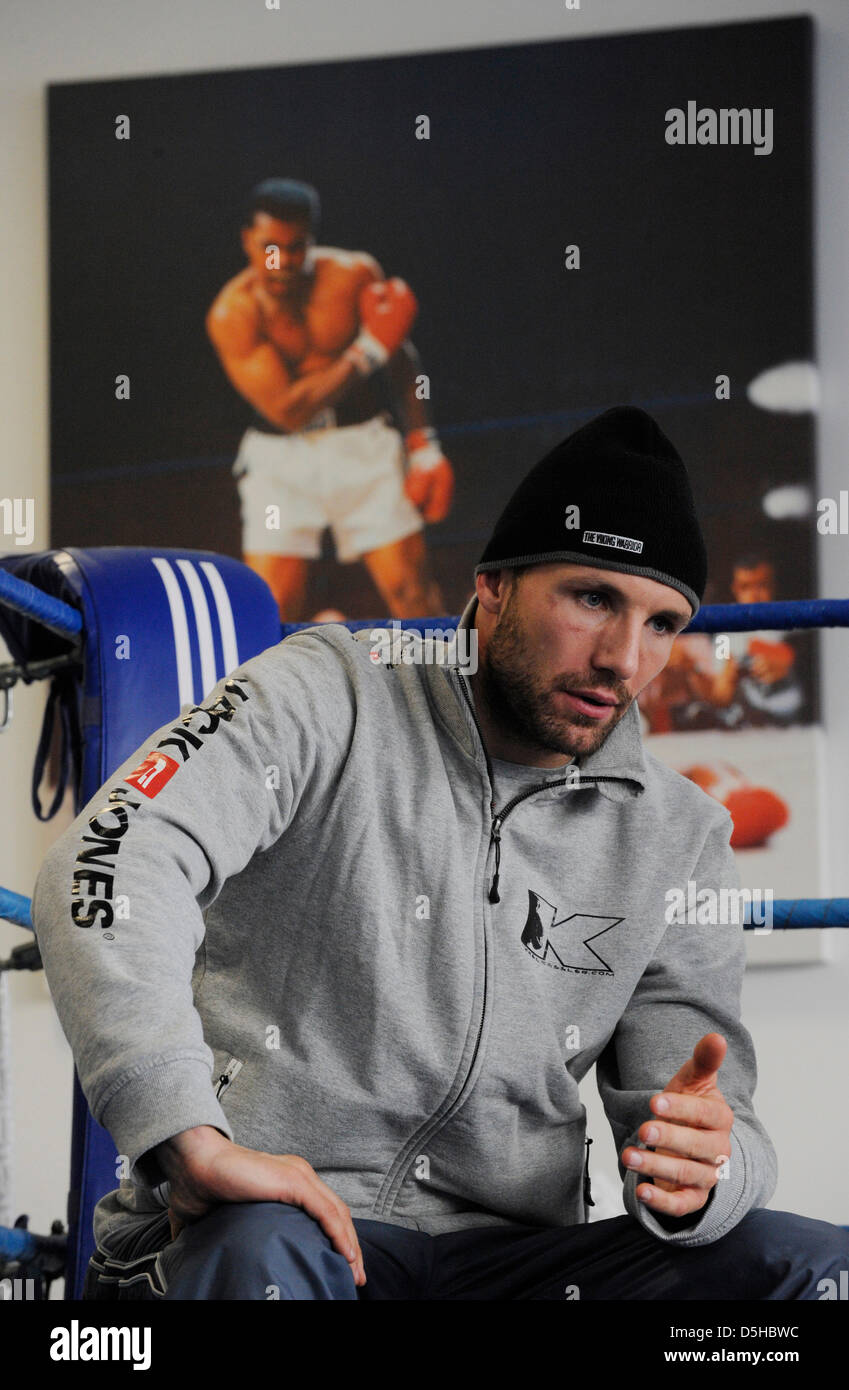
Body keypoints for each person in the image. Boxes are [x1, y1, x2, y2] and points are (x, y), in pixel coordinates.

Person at [31, 407, 847, 1300]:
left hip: (509, 1265)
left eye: (662, 623)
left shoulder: (676, 834)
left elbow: (712, 1113)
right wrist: (186, 1140)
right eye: (591, 598)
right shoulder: (330, 689)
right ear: (493, 585)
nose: (623, 657)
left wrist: (708, 1175)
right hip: (278, 1226)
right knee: (259, 1261)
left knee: (810, 1274)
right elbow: (111, 855)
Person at [206, 177, 453, 621]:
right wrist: (365, 352)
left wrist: (424, 444)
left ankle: (446, 689)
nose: (282, 262)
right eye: (269, 248)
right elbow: (288, 411)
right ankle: (272, 692)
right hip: (280, 464)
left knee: (411, 592)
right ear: (247, 240)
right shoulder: (233, 314)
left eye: (295, 247)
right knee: (272, 607)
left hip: (362, 446)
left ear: (311, 241)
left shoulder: (354, 275)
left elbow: (400, 358)